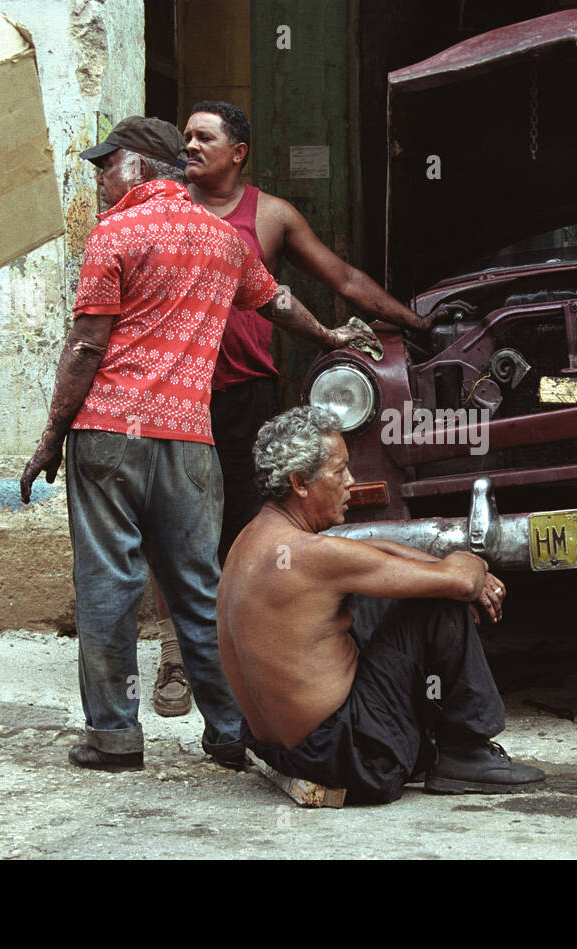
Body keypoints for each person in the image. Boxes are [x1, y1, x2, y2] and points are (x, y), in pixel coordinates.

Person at [18, 117, 365, 772]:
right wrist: (327, 336)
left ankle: (115, 736)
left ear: (146, 167)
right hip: (189, 440)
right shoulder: (224, 242)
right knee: (201, 591)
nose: (98, 178)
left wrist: (50, 437)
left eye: (108, 164)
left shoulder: (114, 234)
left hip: (110, 435)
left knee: (108, 586)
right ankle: (231, 731)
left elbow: (87, 344)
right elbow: (279, 301)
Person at [148, 100, 422, 718]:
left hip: (246, 396)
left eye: (203, 138)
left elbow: (343, 279)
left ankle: (248, 645)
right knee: (173, 525)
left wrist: (415, 322)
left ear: (238, 152)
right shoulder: (164, 209)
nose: (189, 146)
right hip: (173, 396)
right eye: (185, 137)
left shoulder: (270, 216)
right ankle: (175, 656)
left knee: (252, 524)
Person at [216, 406, 544, 802]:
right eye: (339, 472)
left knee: (381, 592)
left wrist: (447, 569)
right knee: (437, 603)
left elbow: (370, 550)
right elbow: (459, 582)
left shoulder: (250, 544)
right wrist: (473, 565)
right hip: (353, 760)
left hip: (284, 751)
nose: (351, 482)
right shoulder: (313, 556)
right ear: (300, 483)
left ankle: (444, 742)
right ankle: (465, 751)